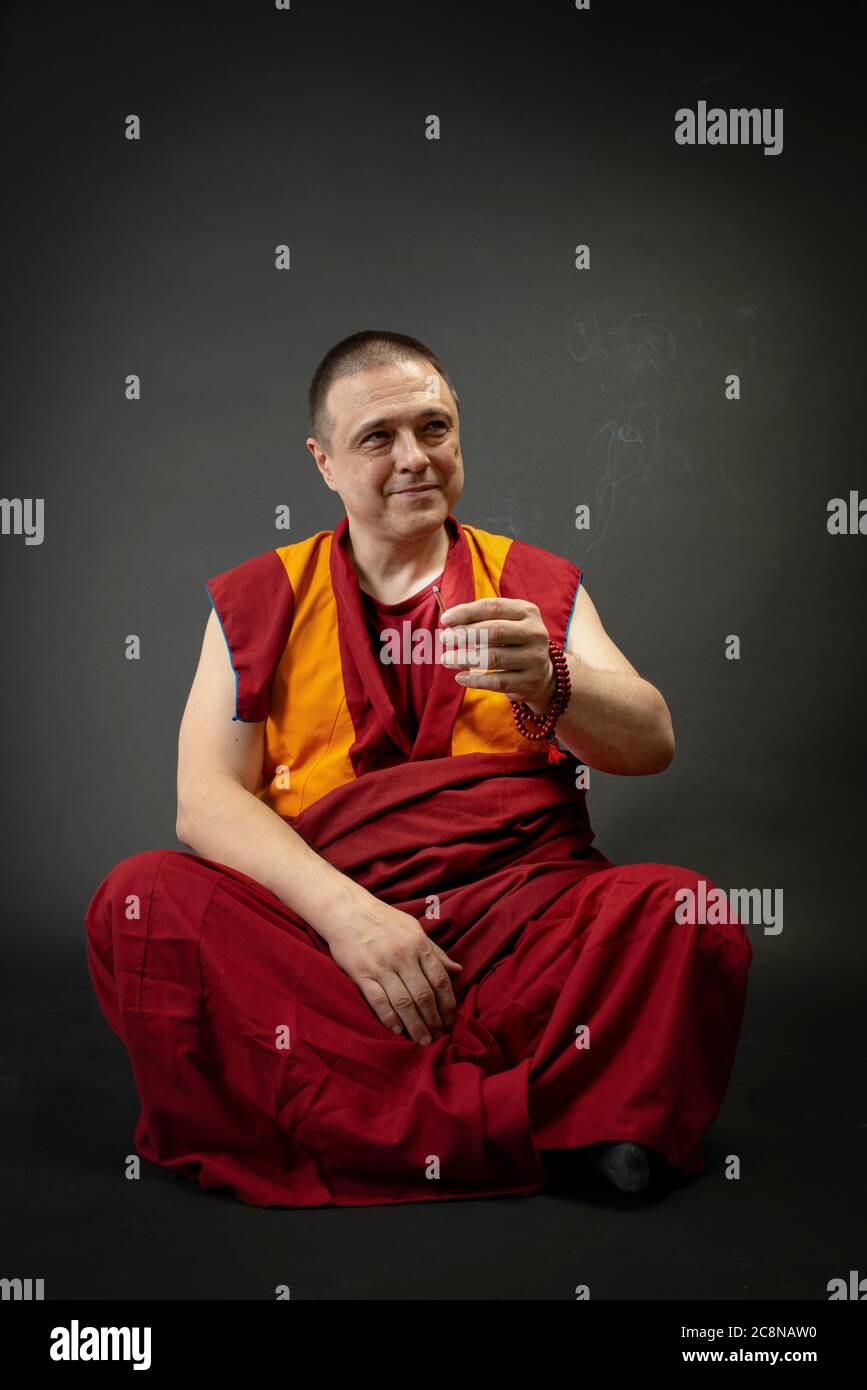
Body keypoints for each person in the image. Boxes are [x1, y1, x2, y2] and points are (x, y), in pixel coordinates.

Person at [84, 329, 752, 1209]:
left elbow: (650, 743)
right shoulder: (261, 596)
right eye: (377, 438)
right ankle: (539, 1122)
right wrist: (353, 922)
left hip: (511, 933)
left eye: (433, 428)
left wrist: (553, 680)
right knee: (143, 898)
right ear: (323, 462)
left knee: (680, 909)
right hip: (322, 951)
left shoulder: (529, 583)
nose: (414, 458)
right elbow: (204, 801)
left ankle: (356, 1116)